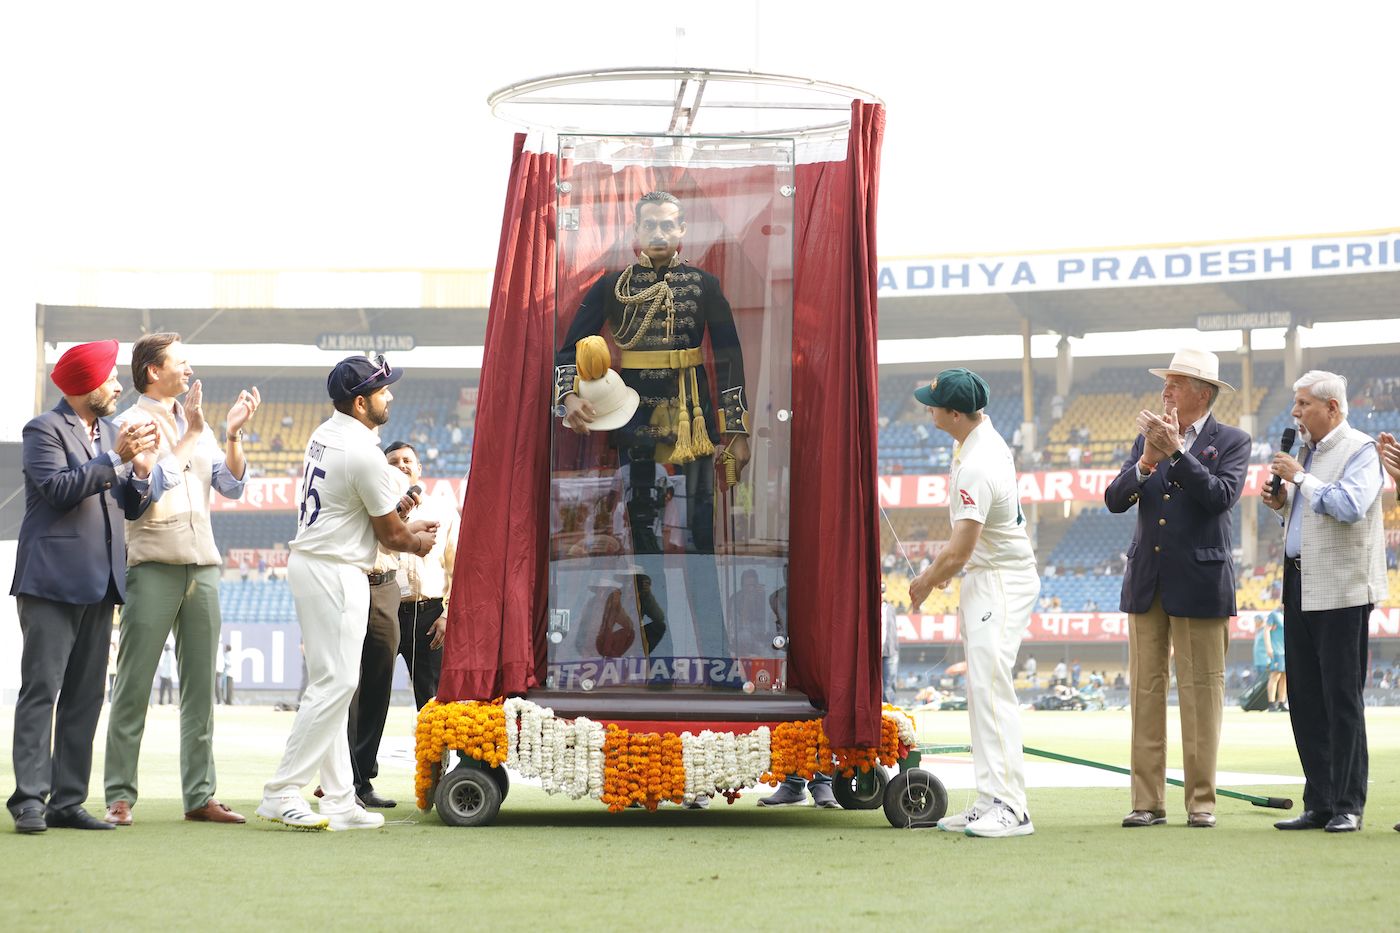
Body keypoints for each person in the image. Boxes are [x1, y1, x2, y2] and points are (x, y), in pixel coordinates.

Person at [555, 190, 750, 665]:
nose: (659, 233)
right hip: (635, 422)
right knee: (645, 541)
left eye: (668, 225)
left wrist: (737, 432)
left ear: (682, 230)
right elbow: (568, 350)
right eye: (650, 225)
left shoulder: (704, 285)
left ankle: (716, 658)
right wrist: (568, 396)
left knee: (700, 540)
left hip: (693, 422)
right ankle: (659, 656)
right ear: (637, 231)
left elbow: (729, 358)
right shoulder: (612, 286)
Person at [256, 354, 438, 832]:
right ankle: (281, 791)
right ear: (360, 403)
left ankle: (339, 799)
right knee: (336, 684)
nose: (389, 396)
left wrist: (404, 526)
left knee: (333, 685)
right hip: (336, 570)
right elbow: (391, 536)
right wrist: (418, 542)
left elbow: (365, 516)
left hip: (318, 563)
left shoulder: (325, 433)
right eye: (382, 390)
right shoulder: (363, 452)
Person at [103, 333, 260, 827]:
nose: (189, 370)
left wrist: (232, 434)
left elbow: (231, 486)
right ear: (154, 371)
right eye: (181, 362)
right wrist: (191, 433)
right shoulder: (131, 423)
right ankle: (119, 794)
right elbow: (146, 489)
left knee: (200, 690)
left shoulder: (201, 423)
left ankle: (200, 795)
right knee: (133, 685)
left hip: (203, 563)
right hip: (152, 562)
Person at [8, 339, 157, 834]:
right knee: (42, 691)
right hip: (51, 580)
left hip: (102, 580)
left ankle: (67, 800)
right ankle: (29, 799)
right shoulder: (43, 429)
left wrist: (140, 474)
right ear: (85, 384)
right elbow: (58, 490)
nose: (117, 386)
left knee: (86, 696)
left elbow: (129, 506)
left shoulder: (114, 434)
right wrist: (115, 459)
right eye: (110, 377)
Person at [1104, 348, 1249, 829]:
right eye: (1166, 382)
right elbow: (1114, 500)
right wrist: (1147, 461)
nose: (1165, 390)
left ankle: (1201, 802)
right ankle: (1146, 801)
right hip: (1147, 581)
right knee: (1145, 693)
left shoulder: (1233, 440)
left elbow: (1220, 497)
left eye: (1176, 383)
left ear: (1202, 394)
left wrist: (1178, 453)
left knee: (1201, 694)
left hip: (1201, 583)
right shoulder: (1146, 439)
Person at [908, 369, 1040, 838]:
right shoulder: (976, 441)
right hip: (989, 577)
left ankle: (1012, 808)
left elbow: (961, 549)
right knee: (981, 691)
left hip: (1000, 581)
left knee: (991, 689)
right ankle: (989, 798)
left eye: (935, 405)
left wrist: (926, 581)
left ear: (956, 413)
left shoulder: (977, 462)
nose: (929, 410)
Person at [1264, 371, 1386, 833]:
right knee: (1305, 699)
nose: (1295, 413)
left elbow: (1349, 506)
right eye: (1295, 404)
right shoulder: (1306, 453)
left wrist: (1301, 478)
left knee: (1341, 699)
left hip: (1342, 590)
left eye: (1303, 404)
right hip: (1299, 583)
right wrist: (1282, 503)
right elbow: (1308, 520)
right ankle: (1319, 801)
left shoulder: (1360, 450)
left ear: (1332, 408)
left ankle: (1348, 804)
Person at [384, 442, 459, 709]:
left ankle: (433, 741)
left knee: (433, 700)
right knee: (371, 692)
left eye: (407, 460)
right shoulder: (376, 512)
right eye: (393, 462)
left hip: (430, 615)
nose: (401, 465)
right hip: (385, 612)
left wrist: (447, 615)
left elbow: (458, 566)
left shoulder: (443, 510)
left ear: (419, 468)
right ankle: (363, 741)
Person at [1264, 605, 1287, 712]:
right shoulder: (1274, 614)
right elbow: (1266, 630)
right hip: (1277, 650)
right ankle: (1271, 703)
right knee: (1275, 675)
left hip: (1286, 650)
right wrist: (1269, 647)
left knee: (1285, 676)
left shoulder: (1286, 613)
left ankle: (1282, 702)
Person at [880, 584, 899, 702]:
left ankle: (889, 709)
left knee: (889, 684)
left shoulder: (890, 608)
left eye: (883, 592)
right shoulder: (869, 608)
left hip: (889, 651)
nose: (881, 594)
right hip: (872, 652)